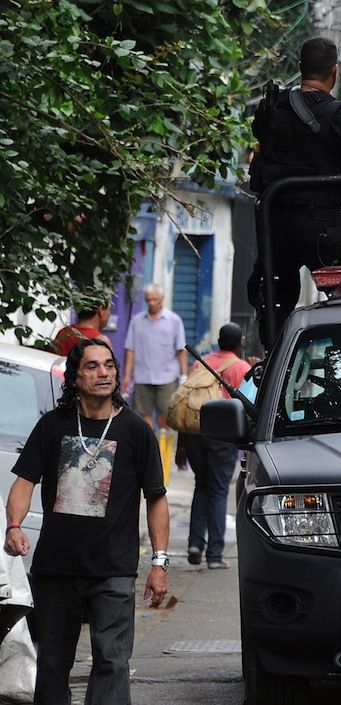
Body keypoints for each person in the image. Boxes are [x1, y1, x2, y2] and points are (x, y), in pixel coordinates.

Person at [4, 338, 169, 705]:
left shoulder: (136, 431)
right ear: (74, 379)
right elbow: (24, 481)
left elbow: (156, 498)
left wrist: (159, 562)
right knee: (52, 663)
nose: (103, 373)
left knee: (112, 662)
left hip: (113, 570)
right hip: (56, 570)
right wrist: (14, 526)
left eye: (108, 364)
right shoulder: (52, 426)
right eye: (92, 366)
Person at [247, 36, 341, 346]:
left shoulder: (271, 109)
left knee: (273, 314)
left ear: (300, 68)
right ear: (334, 71)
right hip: (323, 226)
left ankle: (275, 370)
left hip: (276, 225)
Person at [175, 323, 251, 569]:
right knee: (218, 492)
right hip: (223, 436)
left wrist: (181, 443)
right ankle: (215, 555)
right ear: (240, 342)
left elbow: (188, 401)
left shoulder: (201, 362)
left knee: (202, 486)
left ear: (218, 341)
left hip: (195, 434)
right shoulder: (242, 368)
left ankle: (195, 544)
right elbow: (249, 406)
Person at [121, 284, 188, 431]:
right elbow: (130, 349)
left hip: (167, 377)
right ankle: (149, 447)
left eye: (154, 299)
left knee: (166, 416)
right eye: (148, 300)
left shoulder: (174, 320)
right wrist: (127, 375)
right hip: (142, 376)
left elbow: (181, 350)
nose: (151, 303)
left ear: (162, 299)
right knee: (142, 416)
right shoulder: (136, 321)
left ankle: (164, 451)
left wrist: (184, 375)